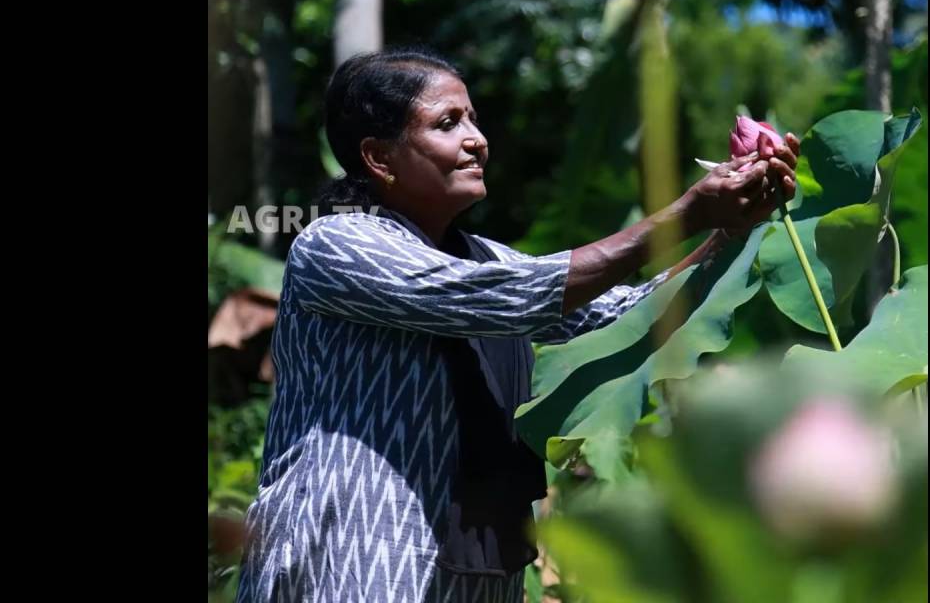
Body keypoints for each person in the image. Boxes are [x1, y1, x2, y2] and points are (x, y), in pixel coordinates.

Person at [235, 47, 799, 603]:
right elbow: (505, 298)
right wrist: (684, 215)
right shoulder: (335, 242)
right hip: (347, 559)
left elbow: (618, 318)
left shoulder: (481, 256)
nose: (477, 140)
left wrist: (730, 233)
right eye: (448, 122)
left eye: (473, 120)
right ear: (380, 158)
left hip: (471, 571)